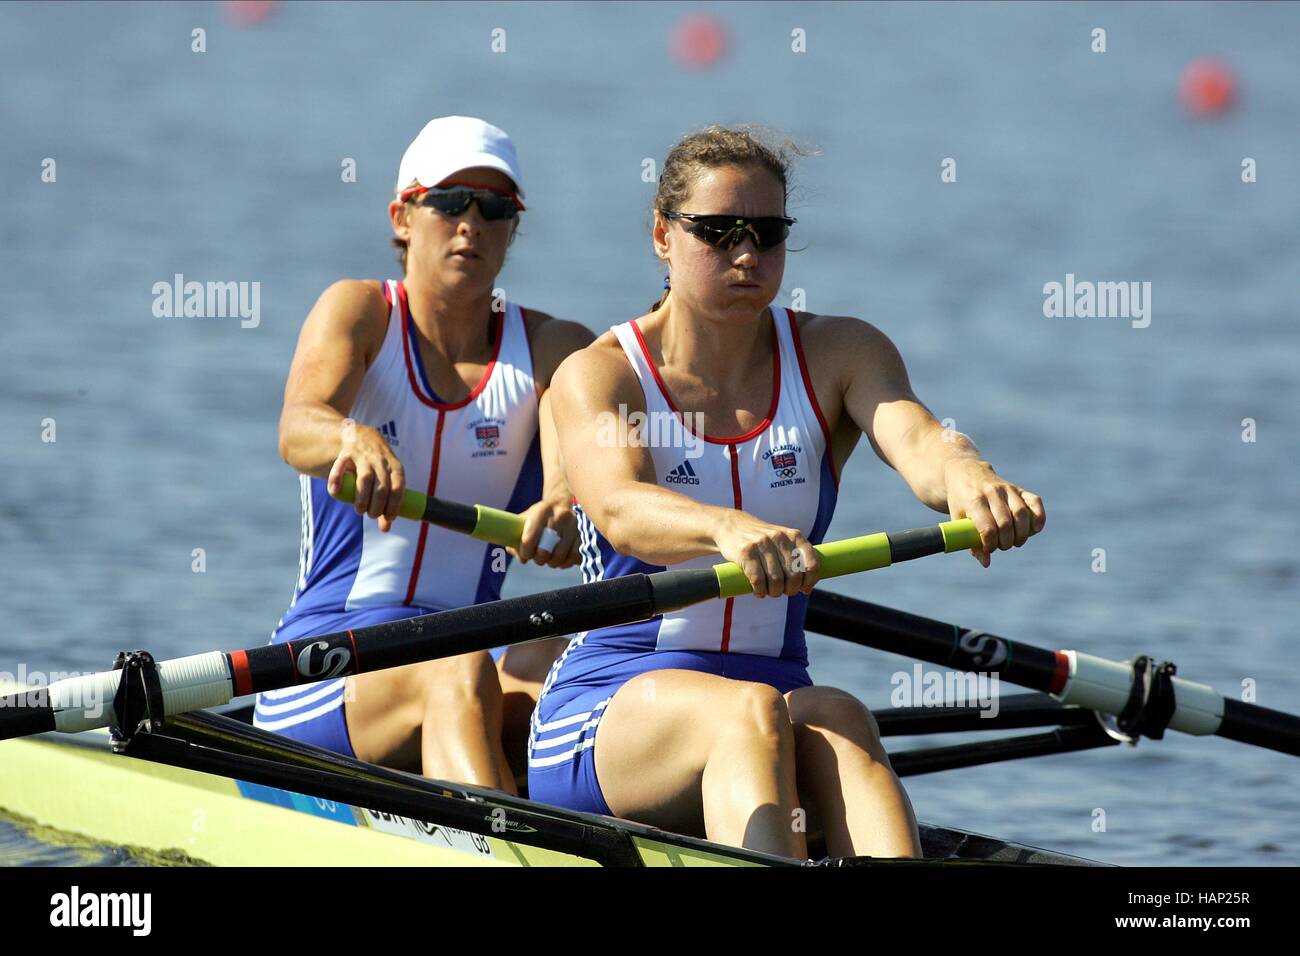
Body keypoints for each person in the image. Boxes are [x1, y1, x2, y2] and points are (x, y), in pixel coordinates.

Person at [530, 125, 1045, 859]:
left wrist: (972, 476)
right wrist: (727, 529)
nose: (747, 254)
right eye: (719, 232)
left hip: (774, 697)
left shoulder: (840, 353)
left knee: (839, 715)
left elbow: (922, 441)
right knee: (748, 715)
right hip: (610, 709)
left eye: (768, 234)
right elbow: (619, 510)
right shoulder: (602, 373)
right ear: (662, 236)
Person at [253, 116, 593, 794]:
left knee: (579, 671)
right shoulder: (359, 312)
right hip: (326, 660)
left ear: (512, 228)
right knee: (458, 672)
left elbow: (576, 464)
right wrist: (351, 437)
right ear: (403, 217)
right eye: (448, 201)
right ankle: (498, 837)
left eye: (494, 207)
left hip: (471, 653)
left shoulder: (555, 349)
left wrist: (564, 500)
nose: (471, 223)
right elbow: (297, 429)